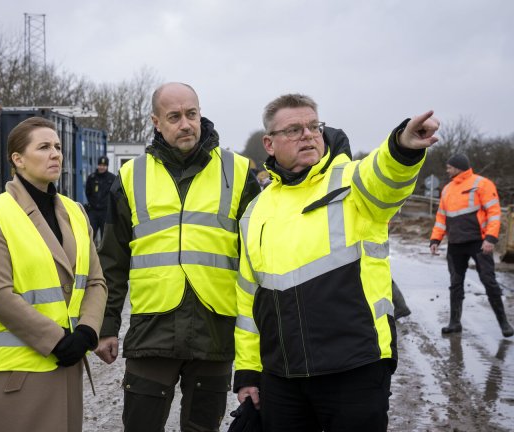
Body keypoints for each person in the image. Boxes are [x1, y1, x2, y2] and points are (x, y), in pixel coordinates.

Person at [234, 93, 440, 431]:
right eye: (294, 129)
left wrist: (404, 145)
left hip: (354, 369)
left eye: (314, 126)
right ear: (269, 144)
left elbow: (386, 174)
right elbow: (248, 302)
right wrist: (247, 372)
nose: (308, 134)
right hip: (282, 377)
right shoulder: (256, 211)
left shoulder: (352, 181)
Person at [94, 82, 261, 431]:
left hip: (214, 329)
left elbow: (258, 261)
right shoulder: (130, 177)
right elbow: (112, 262)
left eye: (191, 114)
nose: (185, 124)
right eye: (174, 117)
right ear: (156, 122)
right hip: (151, 331)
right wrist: (106, 327)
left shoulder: (240, 173)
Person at [0, 116, 107, 432]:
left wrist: (87, 331)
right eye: (43, 147)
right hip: (17, 373)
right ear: (18, 160)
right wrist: (56, 341)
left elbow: (96, 281)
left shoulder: (75, 211)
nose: (55, 154)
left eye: (57, 147)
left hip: (67, 365)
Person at [430, 153, 513, 337]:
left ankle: (504, 324)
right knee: (455, 283)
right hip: (455, 244)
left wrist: (490, 238)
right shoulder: (447, 189)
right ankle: (454, 323)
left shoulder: (482, 184)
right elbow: (441, 219)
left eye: (450, 166)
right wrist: (435, 240)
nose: (447, 169)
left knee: (489, 281)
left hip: (479, 242)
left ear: (458, 167)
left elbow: (493, 212)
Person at [85, 155, 116, 241]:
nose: (102, 167)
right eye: (100, 165)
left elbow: (114, 194)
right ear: (98, 165)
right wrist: (92, 203)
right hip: (93, 211)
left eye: (104, 166)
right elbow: (88, 192)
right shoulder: (92, 178)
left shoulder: (112, 178)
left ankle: (104, 254)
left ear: (107, 166)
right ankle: (88, 253)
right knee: (89, 235)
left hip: (105, 212)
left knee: (106, 237)